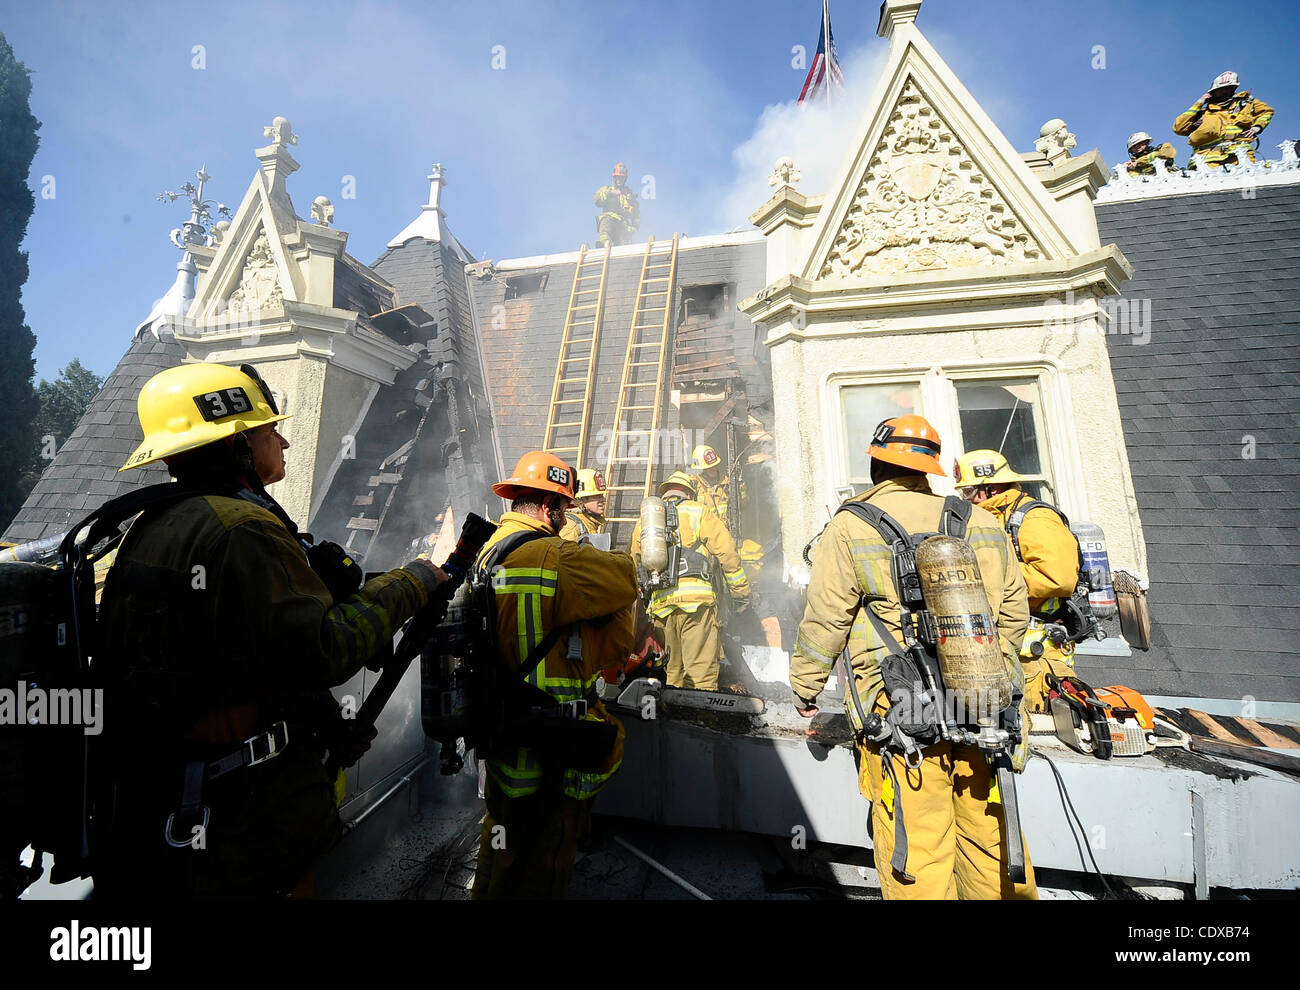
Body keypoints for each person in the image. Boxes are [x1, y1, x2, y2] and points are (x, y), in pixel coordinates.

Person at [93, 363, 448, 899]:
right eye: (267, 430)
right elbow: (324, 649)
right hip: (243, 833)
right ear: (235, 444)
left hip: (173, 809)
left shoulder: (156, 524)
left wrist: (325, 725)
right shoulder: (242, 530)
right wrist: (415, 580)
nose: (282, 440)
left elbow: (244, 658)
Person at [790, 416, 1035, 900]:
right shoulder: (981, 521)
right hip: (985, 706)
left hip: (903, 716)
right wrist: (988, 670)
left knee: (918, 849)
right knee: (989, 841)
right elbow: (1014, 612)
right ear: (931, 469)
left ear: (876, 463)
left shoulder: (850, 526)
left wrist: (805, 687)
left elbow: (825, 621)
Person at [472, 451, 638, 899]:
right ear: (550, 508)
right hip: (550, 740)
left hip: (500, 731)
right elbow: (626, 578)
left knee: (500, 836)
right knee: (544, 859)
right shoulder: (556, 556)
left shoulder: (486, 552)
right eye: (565, 507)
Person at [953, 450, 1083, 714]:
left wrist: (995, 576)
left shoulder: (1035, 518)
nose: (964, 499)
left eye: (967, 492)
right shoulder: (990, 520)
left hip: (1039, 656)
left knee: (1035, 722)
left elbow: (1059, 579)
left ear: (989, 489)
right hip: (1004, 646)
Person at [629, 471, 750, 691]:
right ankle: (701, 721)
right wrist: (741, 592)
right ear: (688, 492)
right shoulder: (698, 511)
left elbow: (633, 562)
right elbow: (728, 554)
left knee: (675, 671)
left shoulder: (646, 523)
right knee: (701, 671)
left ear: (666, 493)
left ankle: (676, 719)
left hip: (662, 608)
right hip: (696, 605)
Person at [1172, 70, 1274, 168]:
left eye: (1229, 88)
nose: (1225, 91)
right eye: (1221, 89)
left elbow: (1267, 112)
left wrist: (1257, 127)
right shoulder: (1203, 112)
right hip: (1206, 159)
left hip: (1239, 155)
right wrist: (1199, 103)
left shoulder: (1246, 103)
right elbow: (1179, 128)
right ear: (1214, 91)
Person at [593, 163, 641, 248]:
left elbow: (636, 212)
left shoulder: (628, 194)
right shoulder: (606, 190)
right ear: (614, 177)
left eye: (622, 178)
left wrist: (635, 227)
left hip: (623, 225)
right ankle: (603, 244)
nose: (620, 180)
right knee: (606, 223)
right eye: (618, 177)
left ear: (625, 179)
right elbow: (597, 200)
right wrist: (610, 193)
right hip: (609, 221)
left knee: (623, 244)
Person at [558, 468, 609, 543]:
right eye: (597, 496)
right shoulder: (572, 527)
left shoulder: (588, 522)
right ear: (580, 500)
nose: (603, 500)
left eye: (601, 495)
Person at [688, 444, 729, 524]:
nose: (713, 468)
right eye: (709, 467)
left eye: (714, 465)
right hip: (705, 533)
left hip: (725, 533)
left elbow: (743, 506)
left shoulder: (726, 482)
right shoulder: (693, 485)